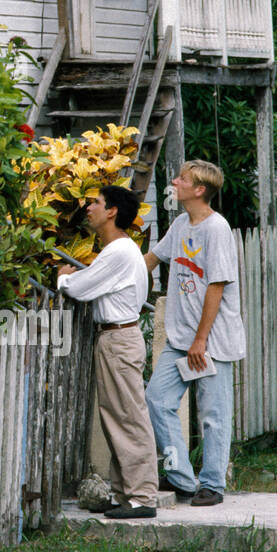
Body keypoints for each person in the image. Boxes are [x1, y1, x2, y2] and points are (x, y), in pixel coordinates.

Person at [143, 159, 243, 507]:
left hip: (211, 342)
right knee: (157, 399)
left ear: (199, 189)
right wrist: (113, 272)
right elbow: (152, 259)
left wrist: (201, 340)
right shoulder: (181, 224)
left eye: (181, 179)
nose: (175, 181)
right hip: (179, 338)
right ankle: (182, 478)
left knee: (213, 414)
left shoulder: (217, 230)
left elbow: (216, 287)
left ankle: (212, 484)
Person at [57, 184, 159, 519]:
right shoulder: (121, 250)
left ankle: (142, 498)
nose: (90, 208)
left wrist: (63, 279)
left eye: (97, 203)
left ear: (112, 211)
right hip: (117, 339)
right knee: (117, 416)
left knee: (128, 417)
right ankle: (125, 494)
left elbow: (82, 289)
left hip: (119, 339)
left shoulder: (118, 251)